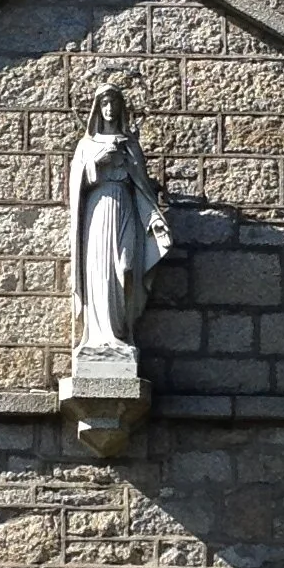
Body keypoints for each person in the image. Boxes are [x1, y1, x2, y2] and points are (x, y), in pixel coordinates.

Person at [66, 85, 171, 363]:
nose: (109, 108)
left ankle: (121, 334)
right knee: (100, 271)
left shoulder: (130, 145)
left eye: (114, 103)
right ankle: (100, 338)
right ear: (98, 109)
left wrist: (154, 221)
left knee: (124, 268)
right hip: (97, 210)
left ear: (121, 108)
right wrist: (98, 163)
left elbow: (142, 189)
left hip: (124, 204)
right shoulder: (87, 145)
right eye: (104, 104)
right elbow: (76, 185)